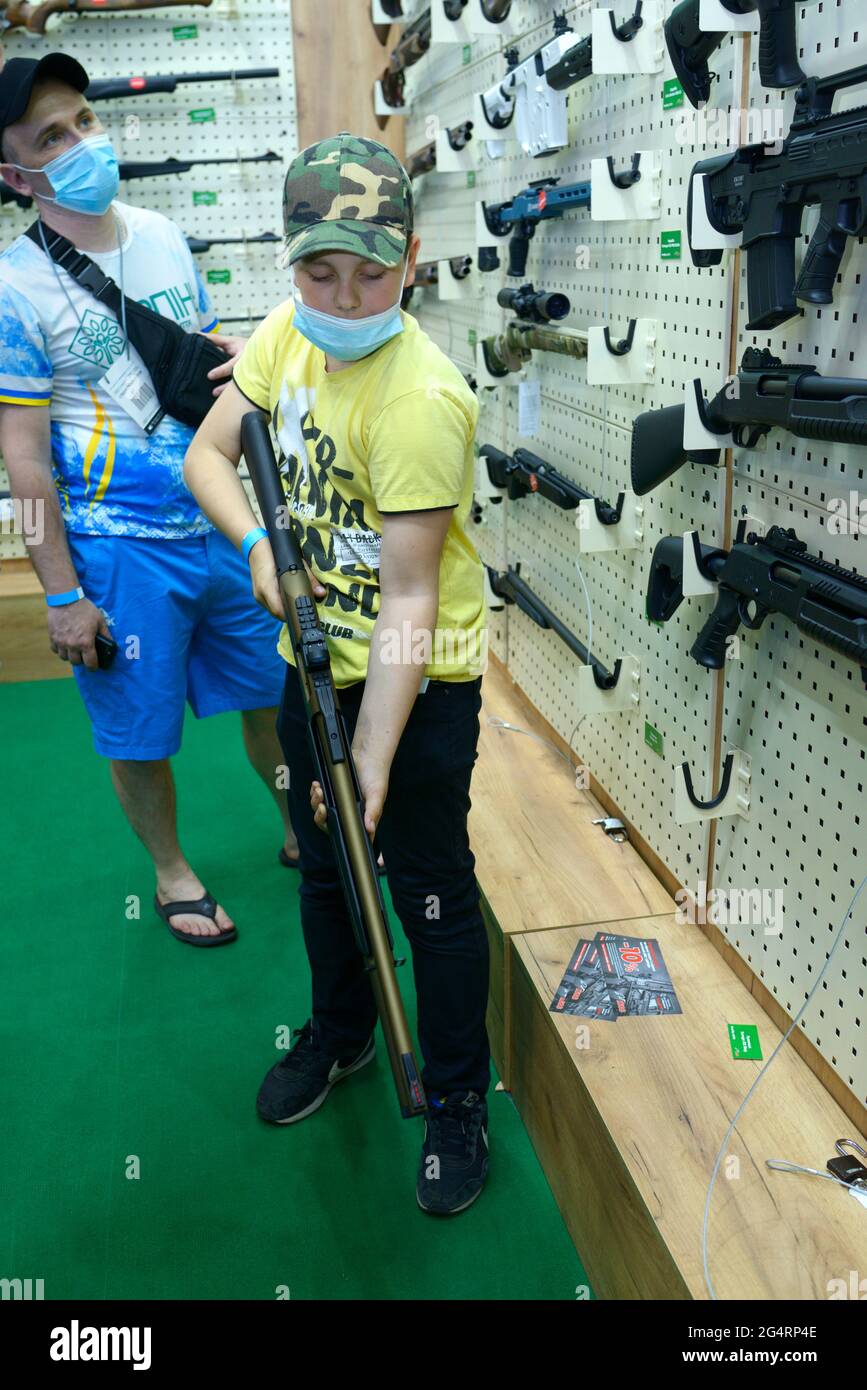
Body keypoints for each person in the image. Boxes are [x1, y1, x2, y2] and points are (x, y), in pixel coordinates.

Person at [184, 131, 492, 1213]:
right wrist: (262, 552)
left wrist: (370, 756)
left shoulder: (421, 400)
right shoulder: (282, 337)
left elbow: (411, 600)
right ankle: (344, 1032)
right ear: (291, 263)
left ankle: (456, 1096)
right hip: (307, 665)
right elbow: (209, 456)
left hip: (419, 680)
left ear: (408, 261)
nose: (347, 297)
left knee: (430, 891)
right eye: (322, 272)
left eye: (372, 270)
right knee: (325, 870)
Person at [0, 53, 301, 946]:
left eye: (84, 120)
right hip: (116, 548)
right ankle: (172, 872)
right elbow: (23, 465)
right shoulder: (14, 288)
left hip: (220, 520)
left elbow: (188, 353)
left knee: (272, 699)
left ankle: (300, 826)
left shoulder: (162, 232)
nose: (85, 142)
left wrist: (236, 349)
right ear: (14, 173)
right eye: (53, 136)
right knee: (139, 736)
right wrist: (60, 594)